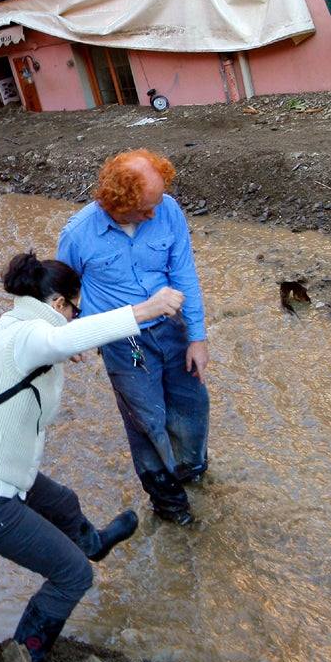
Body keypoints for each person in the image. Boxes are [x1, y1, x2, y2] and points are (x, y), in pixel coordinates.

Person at [0, 251, 183, 662]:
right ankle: (28, 657)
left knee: (63, 502)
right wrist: (144, 310)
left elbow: (45, 345)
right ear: (57, 305)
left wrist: (57, 347)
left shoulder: (12, 326)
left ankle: (93, 543)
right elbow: (53, 339)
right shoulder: (32, 336)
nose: (76, 316)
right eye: (75, 309)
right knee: (72, 577)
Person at [57, 148, 210, 527]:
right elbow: (61, 294)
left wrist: (198, 338)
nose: (154, 214)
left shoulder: (168, 209)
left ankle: (192, 473)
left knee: (193, 406)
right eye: (146, 208)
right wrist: (67, 335)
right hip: (125, 344)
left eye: (157, 203)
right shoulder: (78, 235)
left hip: (173, 330)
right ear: (116, 202)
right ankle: (171, 507)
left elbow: (185, 273)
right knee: (146, 421)